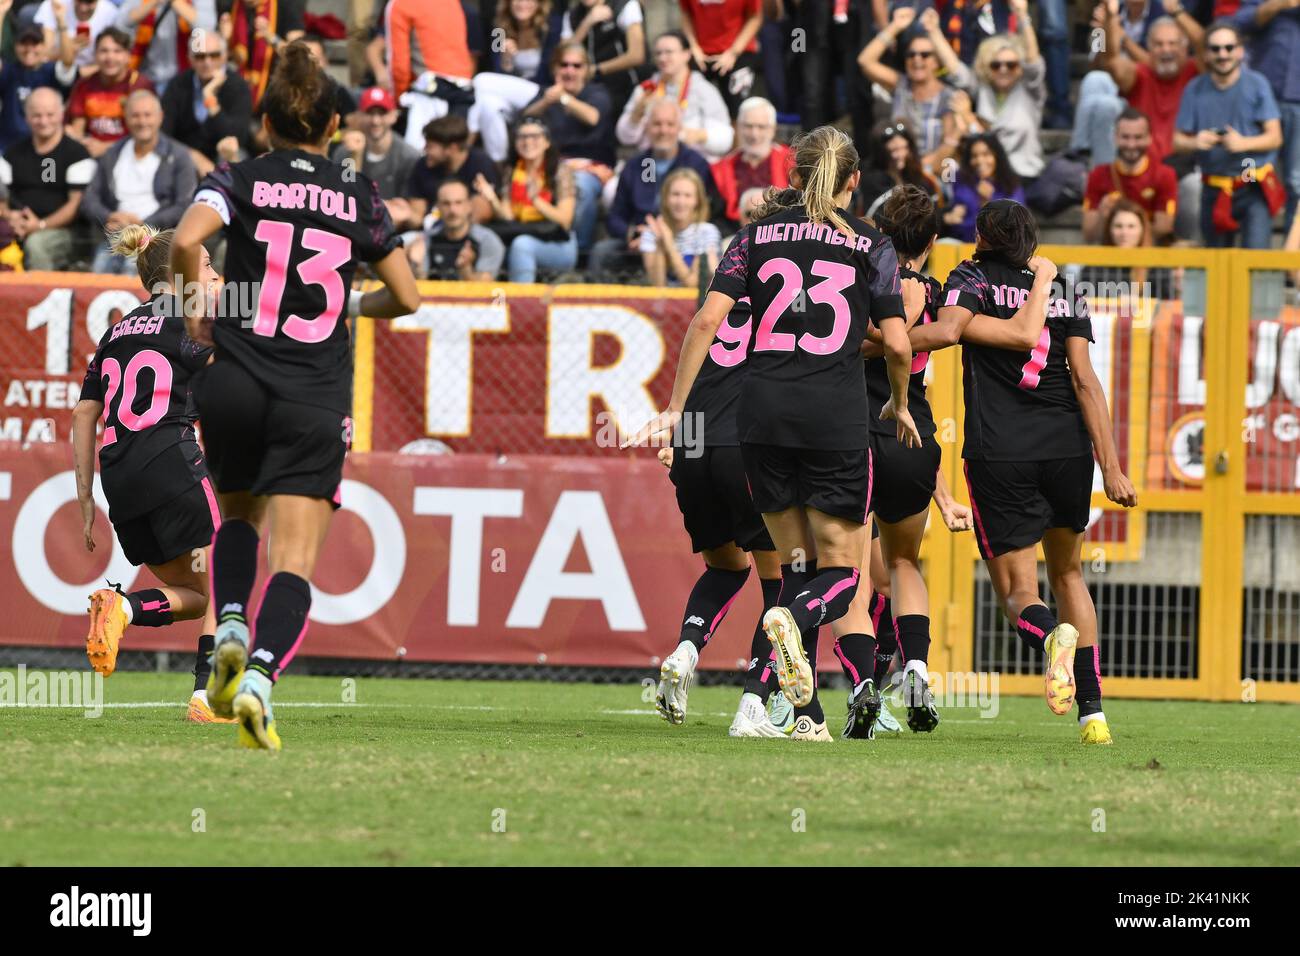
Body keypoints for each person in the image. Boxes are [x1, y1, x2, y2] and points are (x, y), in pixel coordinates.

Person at [625, 126, 921, 742]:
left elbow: (708, 318)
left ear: (792, 175)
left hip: (757, 417)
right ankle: (789, 620)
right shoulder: (871, 243)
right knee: (840, 571)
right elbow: (896, 341)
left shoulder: (752, 235)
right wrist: (898, 400)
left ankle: (806, 716)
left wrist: (678, 409)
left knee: (792, 563)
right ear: (854, 181)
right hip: (833, 418)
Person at [169, 41, 420, 750]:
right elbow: (407, 295)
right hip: (312, 393)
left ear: (267, 124)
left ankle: (229, 625)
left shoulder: (239, 177)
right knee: (297, 561)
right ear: (334, 126)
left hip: (235, 383)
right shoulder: (359, 195)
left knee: (238, 516)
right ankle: (259, 680)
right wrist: (350, 306)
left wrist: (195, 308)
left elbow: (187, 239)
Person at [912, 199, 1139, 746]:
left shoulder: (969, 277)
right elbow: (1087, 382)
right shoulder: (1062, 287)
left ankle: (1048, 639)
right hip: (1067, 449)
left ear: (983, 237)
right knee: (1069, 576)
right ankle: (1093, 716)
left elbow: (949, 331)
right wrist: (1112, 468)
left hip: (1000, 452)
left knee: (1019, 593)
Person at [71, 222, 229, 723]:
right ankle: (208, 696)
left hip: (120, 480)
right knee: (228, 575)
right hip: (172, 463)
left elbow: (83, 414)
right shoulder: (190, 320)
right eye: (207, 266)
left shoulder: (115, 330)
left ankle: (122, 610)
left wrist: (84, 499)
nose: (216, 275)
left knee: (198, 594)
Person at [650, 257, 786, 737]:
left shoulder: (718, 300)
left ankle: (685, 651)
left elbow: (703, 338)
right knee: (783, 584)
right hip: (745, 445)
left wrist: (675, 423)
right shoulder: (791, 297)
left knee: (726, 567)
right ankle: (753, 703)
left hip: (693, 440)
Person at [1173, 21, 1283, 248]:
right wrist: (1196, 141)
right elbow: (1176, 141)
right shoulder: (1194, 88)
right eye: (1215, 49)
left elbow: (1275, 137)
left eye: (1229, 48)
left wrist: (1243, 143)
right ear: (1205, 54)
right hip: (1213, 183)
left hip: (1251, 179)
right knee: (1215, 265)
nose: (1223, 54)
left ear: (1240, 51)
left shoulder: (1257, 83)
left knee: (1255, 261)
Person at [80, 89, 197, 274]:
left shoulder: (179, 156)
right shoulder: (113, 153)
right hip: (115, 237)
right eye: (135, 116)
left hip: (157, 239)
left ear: (160, 117)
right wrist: (109, 217)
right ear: (126, 119)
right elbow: (89, 200)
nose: (142, 122)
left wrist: (143, 225)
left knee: (132, 270)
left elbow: (185, 205)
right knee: (99, 273)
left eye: (147, 115)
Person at [933, 2, 1046, 181]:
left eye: (1011, 64)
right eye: (996, 65)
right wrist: (933, 31)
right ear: (987, 68)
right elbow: (956, 70)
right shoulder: (984, 89)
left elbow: (1033, 62)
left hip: (1024, 176)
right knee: (953, 176)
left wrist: (1022, 15)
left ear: (1019, 68)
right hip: (988, 177)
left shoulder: (1029, 90)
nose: (1003, 69)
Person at [521, 41, 613, 252]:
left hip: (591, 166)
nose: (569, 70)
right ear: (554, 68)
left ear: (586, 70)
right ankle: (541, 245)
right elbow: (525, 119)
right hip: (553, 165)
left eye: (576, 66)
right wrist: (545, 102)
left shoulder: (597, 92)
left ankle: (576, 250)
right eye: (564, 65)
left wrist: (563, 98)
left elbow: (592, 117)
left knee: (578, 184)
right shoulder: (547, 94)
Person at [0, 86, 95, 270]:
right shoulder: (11, 154)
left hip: (65, 232)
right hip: (17, 224)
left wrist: (40, 225)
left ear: (61, 114)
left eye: (50, 114)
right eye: (36, 115)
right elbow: (2, 197)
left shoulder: (78, 154)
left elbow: (76, 205)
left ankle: (38, 297)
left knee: (37, 244)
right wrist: (11, 217)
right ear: (26, 117)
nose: (43, 121)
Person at [473, 116, 576, 282]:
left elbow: (565, 220)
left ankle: (522, 302)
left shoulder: (560, 171)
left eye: (535, 137)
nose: (528, 142)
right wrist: (492, 199)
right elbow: (508, 217)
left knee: (522, 245)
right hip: (523, 231)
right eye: (522, 137)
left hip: (558, 243)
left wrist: (536, 200)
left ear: (547, 142)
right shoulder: (512, 171)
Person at [858, 7, 959, 172]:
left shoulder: (948, 96)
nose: (917, 59)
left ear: (936, 61)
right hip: (899, 170)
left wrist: (919, 168)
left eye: (925, 54)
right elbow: (865, 61)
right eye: (911, 54)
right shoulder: (901, 84)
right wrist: (895, 27)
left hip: (934, 175)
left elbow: (948, 150)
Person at [615, 30, 733, 164]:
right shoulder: (646, 89)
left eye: (669, 52)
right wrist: (636, 114)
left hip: (692, 163)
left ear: (686, 54)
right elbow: (624, 137)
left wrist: (697, 135)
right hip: (651, 162)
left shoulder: (704, 90)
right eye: (658, 53)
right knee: (633, 183)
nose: (662, 58)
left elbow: (725, 139)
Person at [1233, 0, 1300, 227]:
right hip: (1260, 97)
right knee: (1248, 172)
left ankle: (1292, 257)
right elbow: (1239, 22)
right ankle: (1247, 241)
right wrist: (1280, 4)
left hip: (1298, 103)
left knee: (1296, 181)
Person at [159, 25, 251, 177]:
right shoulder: (178, 84)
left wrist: (210, 100)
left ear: (225, 56)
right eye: (200, 56)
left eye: (214, 55)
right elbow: (163, 132)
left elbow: (237, 138)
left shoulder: (238, 86)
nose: (207, 62)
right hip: (184, 158)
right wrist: (192, 156)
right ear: (190, 59)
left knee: (237, 156)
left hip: (223, 158)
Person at [1081, 107, 1177, 244]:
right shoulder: (1098, 175)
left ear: (1150, 138)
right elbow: (1089, 236)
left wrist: (1128, 221)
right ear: (1115, 137)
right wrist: (1103, 216)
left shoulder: (1165, 175)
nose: (1131, 145)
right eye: (1125, 137)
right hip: (1110, 255)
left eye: (1138, 137)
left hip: (1149, 254)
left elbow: (1164, 229)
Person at [332, 86, 421, 230]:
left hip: (396, 231)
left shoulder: (410, 156)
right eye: (369, 113)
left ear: (394, 116)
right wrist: (355, 156)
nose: (376, 121)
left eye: (382, 113)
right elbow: (345, 196)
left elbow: (416, 216)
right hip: (354, 228)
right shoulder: (345, 153)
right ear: (359, 115)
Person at [65, 27, 155, 158]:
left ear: (127, 56)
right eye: (104, 51)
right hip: (90, 152)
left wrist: (106, 147)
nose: (110, 57)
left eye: (117, 51)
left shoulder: (141, 85)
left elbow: (147, 131)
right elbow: (77, 127)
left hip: (131, 154)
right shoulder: (84, 85)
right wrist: (81, 142)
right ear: (95, 55)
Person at [710, 96, 790, 226]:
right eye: (748, 126)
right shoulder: (722, 169)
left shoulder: (791, 162)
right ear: (738, 128)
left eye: (761, 127)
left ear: (773, 129)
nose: (754, 134)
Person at [407, 114, 499, 225]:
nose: (425, 150)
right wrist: (406, 216)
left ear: (452, 148)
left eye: (430, 146)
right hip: (428, 232)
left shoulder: (480, 164)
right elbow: (417, 214)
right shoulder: (423, 166)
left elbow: (481, 214)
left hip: (468, 232)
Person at [677, 0, 763, 115]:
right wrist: (693, 46)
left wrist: (734, 52)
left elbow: (755, 17)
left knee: (739, 109)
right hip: (700, 53)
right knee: (687, 104)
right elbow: (686, 13)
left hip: (738, 51)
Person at [561, 0, 646, 116]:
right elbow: (562, 55)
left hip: (625, 88)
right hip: (589, 92)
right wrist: (587, 22)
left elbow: (637, 55)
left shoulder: (625, 5)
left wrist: (596, 70)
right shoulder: (572, 14)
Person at [0, 25, 77, 152]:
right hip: (8, 147)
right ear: (15, 47)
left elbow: (68, 62)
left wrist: (61, 22)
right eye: (23, 43)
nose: (29, 49)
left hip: (49, 149)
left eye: (35, 43)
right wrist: (1, 13)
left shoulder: (53, 71)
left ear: (43, 46)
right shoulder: (9, 71)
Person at [115, 0, 217, 95]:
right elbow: (120, 25)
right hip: (146, 75)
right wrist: (152, 3)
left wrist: (175, 3)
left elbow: (208, 27)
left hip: (184, 77)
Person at [640, 166, 720, 287]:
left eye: (687, 195)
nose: (680, 202)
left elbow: (693, 285)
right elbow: (657, 287)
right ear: (665, 198)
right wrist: (660, 245)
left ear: (697, 200)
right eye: (675, 194)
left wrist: (669, 245)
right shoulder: (652, 232)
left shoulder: (706, 232)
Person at [222, 0, 305, 109]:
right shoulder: (232, 5)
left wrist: (271, 38)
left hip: (276, 90)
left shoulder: (285, 4)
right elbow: (223, 57)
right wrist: (225, 39)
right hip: (239, 88)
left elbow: (299, 54)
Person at [945, 132, 1024, 242]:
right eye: (974, 156)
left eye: (986, 154)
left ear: (997, 156)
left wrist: (987, 203)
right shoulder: (962, 181)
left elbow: (1014, 225)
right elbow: (959, 227)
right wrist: (949, 218)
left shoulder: (1010, 183)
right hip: (966, 242)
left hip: (1002, 246)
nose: (980, 161)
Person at [420, 178, 506, 279]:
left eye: (458, 202)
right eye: (446, 203)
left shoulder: (488, 241)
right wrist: (417, 264)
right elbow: (417, 287)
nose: (452, 210)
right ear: (437, 207)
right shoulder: (426, 241)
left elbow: (485, 290)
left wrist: (465, 269)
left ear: (469, 206)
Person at [857, 117, 942, 217]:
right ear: (881, 152)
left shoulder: (916, 176)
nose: (900, 155)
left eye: (904, 148)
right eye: (894, 150)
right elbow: (877, 216)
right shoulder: (872, 180)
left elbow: (933, 211)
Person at [487, 0, 564, 85]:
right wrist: (506, 60)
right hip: (510, 87)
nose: (522, 3)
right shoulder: (498, 29)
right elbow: (496, 71)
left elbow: (549, 72)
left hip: (541, 89)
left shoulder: (551, 26)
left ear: (539, 3)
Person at [36, 0, 119, 71]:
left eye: (89, 1)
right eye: (79, 0)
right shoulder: (56, 5)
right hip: (56, 70)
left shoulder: (111, 13)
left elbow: (114, 60)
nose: (83, 8)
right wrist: (69, 48)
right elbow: (43, 55)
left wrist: (80, 73)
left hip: (94, 73)